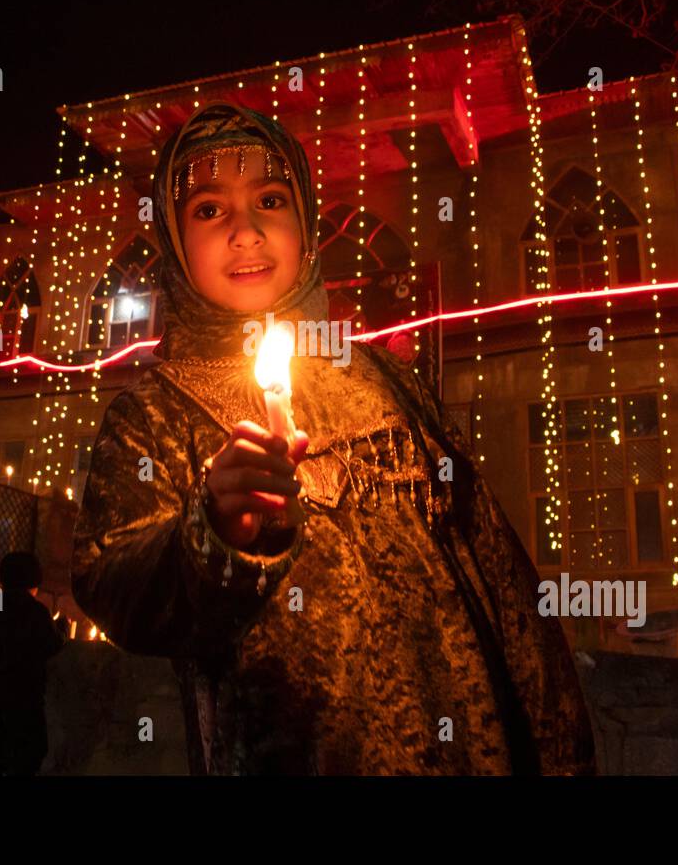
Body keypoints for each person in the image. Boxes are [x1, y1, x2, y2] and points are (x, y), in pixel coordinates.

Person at [71, 101, 595, 775]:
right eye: (208, 209)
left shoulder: (385, 382)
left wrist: (560, 755)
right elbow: (117, 584)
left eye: (269, 198)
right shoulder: (154, 415)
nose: (246, 230)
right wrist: (218, 533)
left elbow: (501, 580)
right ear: (173, 237)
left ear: (307, 224)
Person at [0, 552, 66, 776]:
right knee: (30, 752)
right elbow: (49, 645)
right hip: (24, 699)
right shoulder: (36, 611)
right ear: (33, 583)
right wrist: (61, 630)